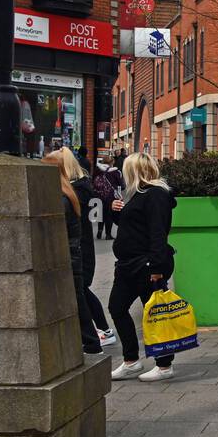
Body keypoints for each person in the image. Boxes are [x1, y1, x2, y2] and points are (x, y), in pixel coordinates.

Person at [109, 153, 179, 382]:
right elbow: (133, 227)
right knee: (117, 307)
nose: (123, 173)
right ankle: (131, 361)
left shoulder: (156, 194)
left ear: (136, 170)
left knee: (156, 314)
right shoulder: (137, 195)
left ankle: (164, 364)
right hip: (129, 264)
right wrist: (116, 211)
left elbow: (158, 232)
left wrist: (156, 267)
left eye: (126, 169)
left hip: (147, 264)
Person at [41, 152, 104, 356]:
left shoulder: (65, 197)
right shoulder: (70, 192)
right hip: (75, 252)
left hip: (72, 254)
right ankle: (92, 338)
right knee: (78, 296)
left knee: (79, 297)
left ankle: (94, 340)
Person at [59, 147, 118, 348]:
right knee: (81, 290)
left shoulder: (76, 190)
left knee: (82, 289)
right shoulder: (77, 187)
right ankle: (99, 331)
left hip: (81, 248)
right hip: (80, 246)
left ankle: (102, 331)